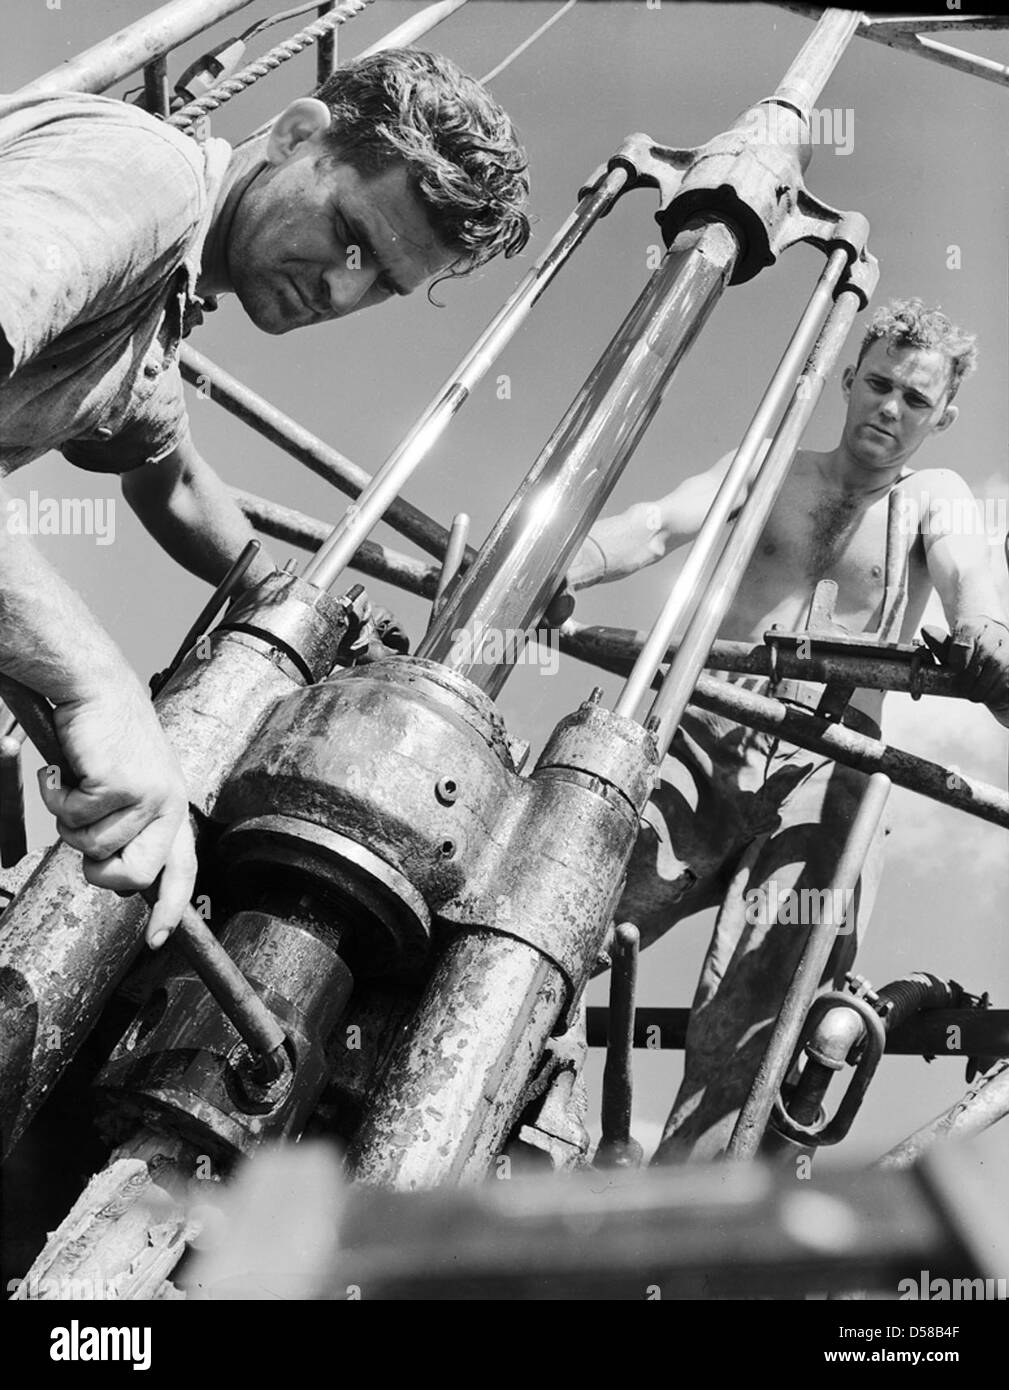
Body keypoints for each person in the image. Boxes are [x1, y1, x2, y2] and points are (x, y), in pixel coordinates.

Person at [0, 49, 530, 945]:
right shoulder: (145, 178)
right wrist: (99, 690)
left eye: (385, 284)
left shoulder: (154, 317)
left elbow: (166, 477)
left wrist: (281, 602)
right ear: (297, 136)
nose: (342, 288)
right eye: (353, 236)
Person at [568, 298, 1009, 1160]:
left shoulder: (933, 496)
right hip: (703, 735)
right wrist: (561, 568)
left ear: (941, 416)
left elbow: (968, 570)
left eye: (914, 401)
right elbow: (658, 523)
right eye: (877, 384)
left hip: (829, 768)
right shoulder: (767, 466)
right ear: (848, 379)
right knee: (562, 910)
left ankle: (690, 1227)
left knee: (761, 1012)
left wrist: (984, 636)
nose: (889, 408)